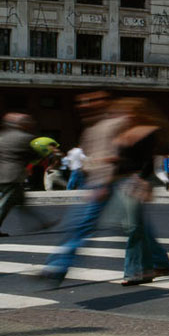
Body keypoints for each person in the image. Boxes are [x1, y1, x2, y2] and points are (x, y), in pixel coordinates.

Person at [34, 92, 124, 283]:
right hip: (93, 183)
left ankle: (57, 267)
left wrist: (105, 181)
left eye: (90, 102)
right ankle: (156, 259)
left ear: (104, 103)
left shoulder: (115, 125)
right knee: (81, 225)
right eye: (81, 102)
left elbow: (119, 156)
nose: (83, 106)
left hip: (106, 183)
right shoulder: (92, 128)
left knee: (82, 226)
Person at [110, 98, 169, 286]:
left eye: (128, 112)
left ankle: (138, 270)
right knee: (137, 226)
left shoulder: (149, 132)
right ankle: (160, 262)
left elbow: (152, 160)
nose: (124, 116)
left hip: (137, 181)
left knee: (133, 228)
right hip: (121, 183)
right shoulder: (123, 133)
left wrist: (144, 181)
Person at [0, 114, 54, 235]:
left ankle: (41, 222)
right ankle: (41, 222)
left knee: (22, 203)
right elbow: (34, 156)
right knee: (4, 204)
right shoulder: (26, 138)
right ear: (22, 125)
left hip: (3, 174)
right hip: (12, 176)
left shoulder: (2, 136)